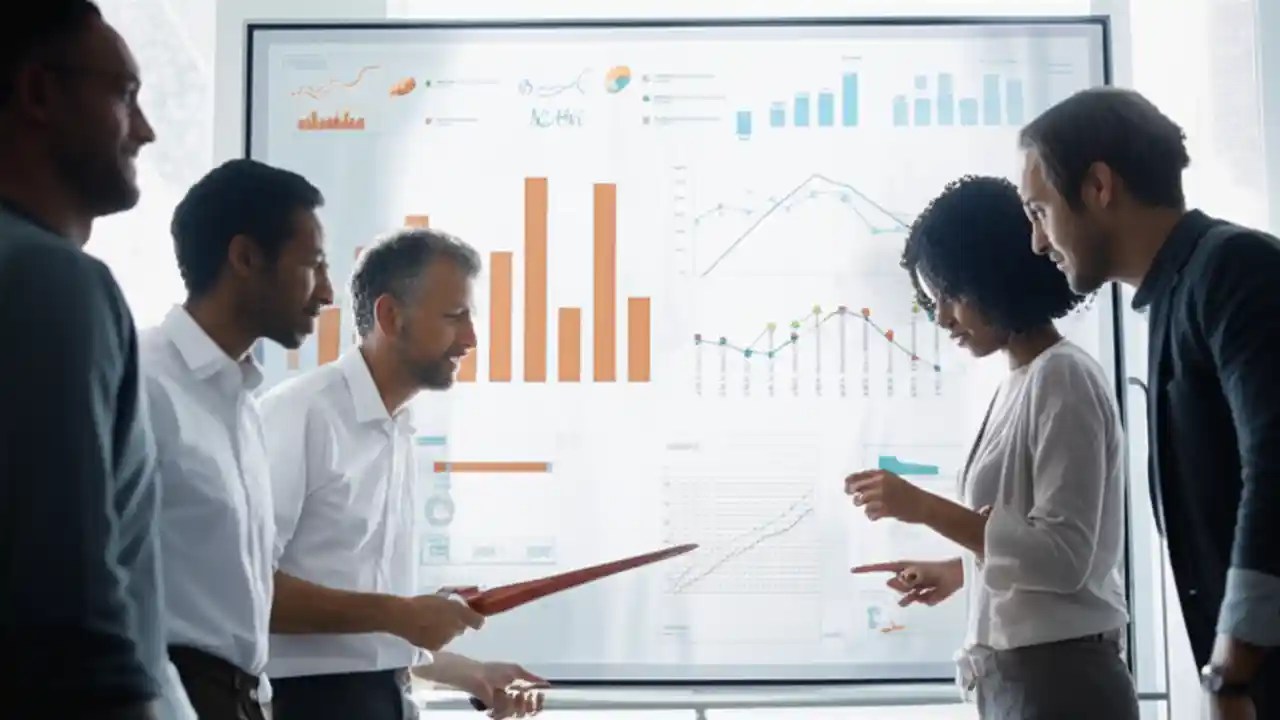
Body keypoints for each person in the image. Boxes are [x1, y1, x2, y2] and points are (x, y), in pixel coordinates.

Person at [1019, 86, 1280, 719]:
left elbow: (1275, 462)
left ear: (1099, 186)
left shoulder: (1232, 268)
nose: (1036, 241)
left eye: (1039, 210)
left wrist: (1230, 672)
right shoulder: (1171, 298)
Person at [846, 176, 1138, 719]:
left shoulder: (1063, 378)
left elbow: (1063, 559)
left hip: (1060, 685)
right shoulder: (1022, 381)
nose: (940, 317)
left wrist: (925, 509)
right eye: (932, 299)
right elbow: (1035, 545)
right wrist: (960, 570)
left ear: (994, 278)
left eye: (951, 294)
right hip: (1025, 680)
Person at [260, 228, 545, 720]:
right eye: (455, 317)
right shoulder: (299, 416)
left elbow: (366, 642)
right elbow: (247, 590)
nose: (472, 338)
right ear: (390, 317)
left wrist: (468, 672)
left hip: (382, 702)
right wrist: (403, 614)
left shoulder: (397, 432)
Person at [0, 2, 194, 718]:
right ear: (40, 93)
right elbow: (67, 604)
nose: (145, 130)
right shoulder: (51, 282)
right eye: (125, 94)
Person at [141, 158, 335, 720]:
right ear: (246, 257)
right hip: (170, 696)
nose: (325, 292)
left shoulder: (244, 402)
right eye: (313, 265)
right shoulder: (140, 381)